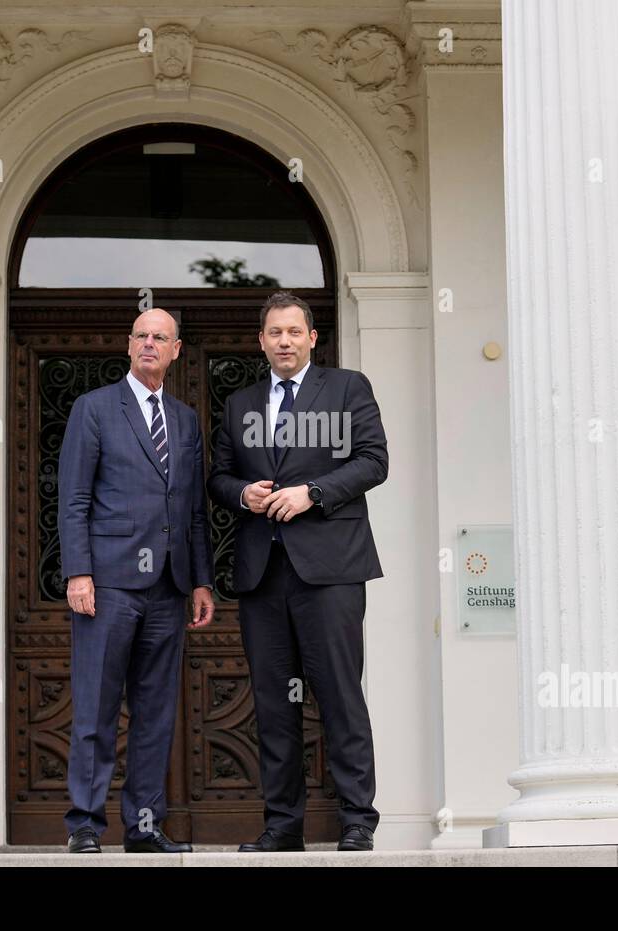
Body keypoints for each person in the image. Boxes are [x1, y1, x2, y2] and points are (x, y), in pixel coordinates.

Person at [208, 291, 388, 852]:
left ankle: (358, 819)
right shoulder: (240, 405)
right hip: (264, 574)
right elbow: (218, 476)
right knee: (274, 702)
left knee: (339, 695)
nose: (284, 341)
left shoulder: (347, 387)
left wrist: (312, 493)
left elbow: (373, 460)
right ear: (261, 341)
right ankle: (283, 826)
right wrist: (244, 493)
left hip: (331, 570)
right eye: (274, 333)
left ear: (312, 338)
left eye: (293, 331)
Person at [57, 308, 214, 853]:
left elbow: (192, 508)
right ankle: (84, 825)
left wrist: (200, 581)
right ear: (129, 345)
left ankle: (145, 828)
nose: (150, 344)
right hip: (109, 584)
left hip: (169, 589)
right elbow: (74, 499)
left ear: (176, 351)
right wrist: (78, 571)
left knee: (155, 715)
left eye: (160, 338)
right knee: (96, 707)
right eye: (142, 336)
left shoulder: (186, 419)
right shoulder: (94, 409)